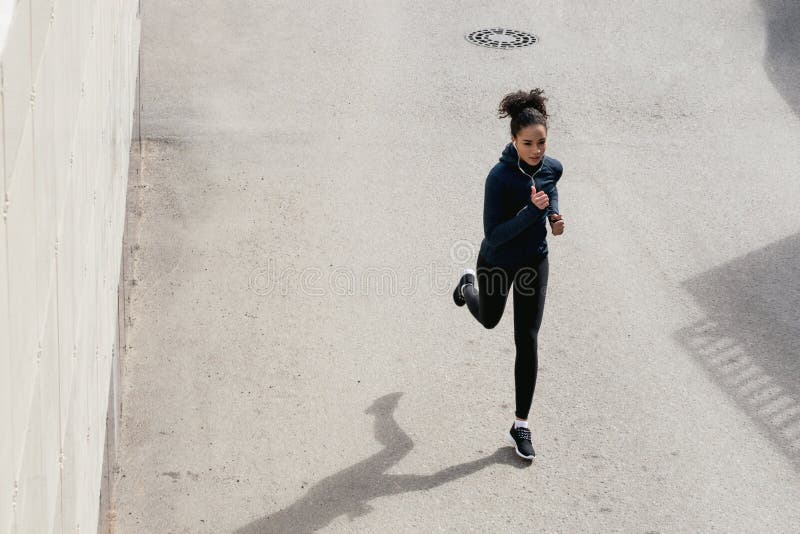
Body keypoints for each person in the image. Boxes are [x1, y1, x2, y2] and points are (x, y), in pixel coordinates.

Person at [452, 88, 565, 460]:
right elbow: (494, 235)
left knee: (527, 339)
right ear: (513, 140)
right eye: (528, 143)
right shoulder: (498, 179)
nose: (536, 150)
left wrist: (553, 216)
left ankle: (521, 424)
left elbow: (550, 188)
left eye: (541, 142)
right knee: (488, 319)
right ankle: (468, 284)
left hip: (534, 261)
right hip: (497, 261)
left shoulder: (552, 167)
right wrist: (533, 213)